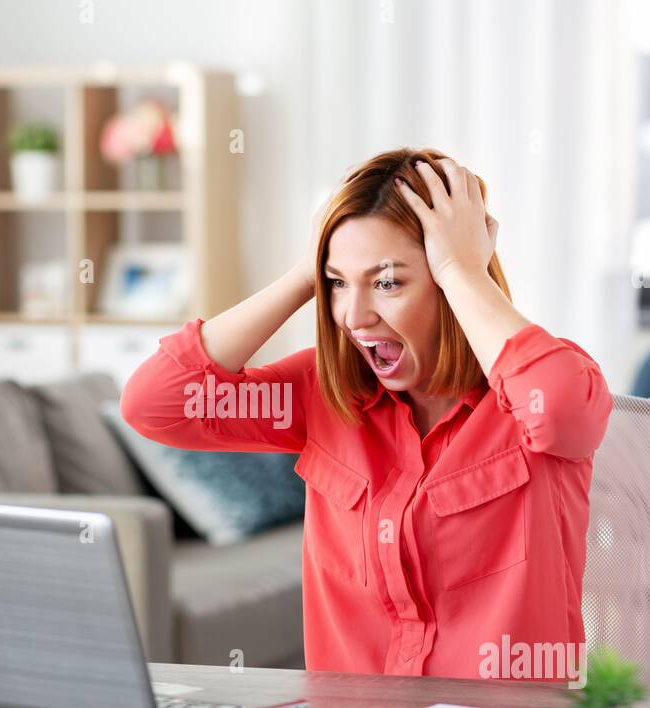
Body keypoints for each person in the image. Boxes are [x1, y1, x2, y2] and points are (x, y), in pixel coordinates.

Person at [120, 147, 613, 680]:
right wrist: (303, 275)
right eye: (337, 284)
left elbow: (562, 412)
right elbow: (156, 403)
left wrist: (462, 269)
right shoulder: (324, 393)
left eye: (387, 282)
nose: (353, 317)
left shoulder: (535, 395)